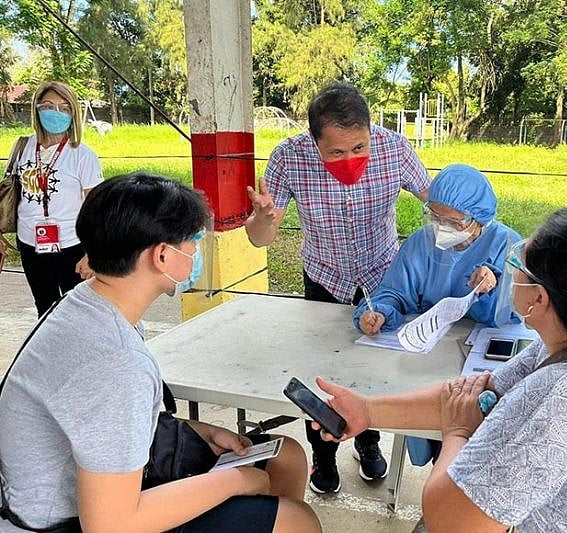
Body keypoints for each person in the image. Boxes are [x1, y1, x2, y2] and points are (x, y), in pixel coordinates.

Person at [313, 206, 567, 532]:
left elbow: (451, 521)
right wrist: (368, 411)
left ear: (539, 298)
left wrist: (457, 433)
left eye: (517, 267)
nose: (511, 274)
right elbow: (475, 393)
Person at [0, 173, 321, 533]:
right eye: (194, 241)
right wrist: (234, 483)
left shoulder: (91, 302)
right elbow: (111, 525)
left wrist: (203, 431)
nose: (197, 250)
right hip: (64, 520)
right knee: (296, 521)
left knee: (285, 458)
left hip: (98, 477)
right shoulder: (116, 361)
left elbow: (102, 420)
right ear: (163, 256)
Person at [245, 82, 431, 493]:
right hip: (324, 276)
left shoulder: (394, 149)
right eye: (337, 152)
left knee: (373, 369)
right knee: (322, 375)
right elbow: (260, 238)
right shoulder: (288, 158)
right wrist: (264, 219)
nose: (350, 159)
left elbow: (432, 198)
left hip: (383, 276)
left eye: (359, 148)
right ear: (314, 141)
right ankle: (322, 456)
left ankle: (368, 442)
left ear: (370, 132)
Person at [354, 163, 520, 337]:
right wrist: (379, 314)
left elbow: (515, 311)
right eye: (435, 216)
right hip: (426, 340)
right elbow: (394, 291)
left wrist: (492, 286)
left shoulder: (506, 245)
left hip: (482, 341)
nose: (442, 227)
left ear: (479, 219)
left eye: (454, 222)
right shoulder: (420, 243)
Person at [0, 81, 103, 317]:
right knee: (44, 308)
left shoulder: (82, 155)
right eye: (48, 106)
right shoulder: (22, 146)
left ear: (73, 113)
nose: (55, 113)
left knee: (77, 311)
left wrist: (92, 254)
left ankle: (78, 354)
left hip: (71, 245)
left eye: (63, 108)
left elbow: (96, 209)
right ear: (36, 110)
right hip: (30, 243)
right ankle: (51, 353)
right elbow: (9, 194)